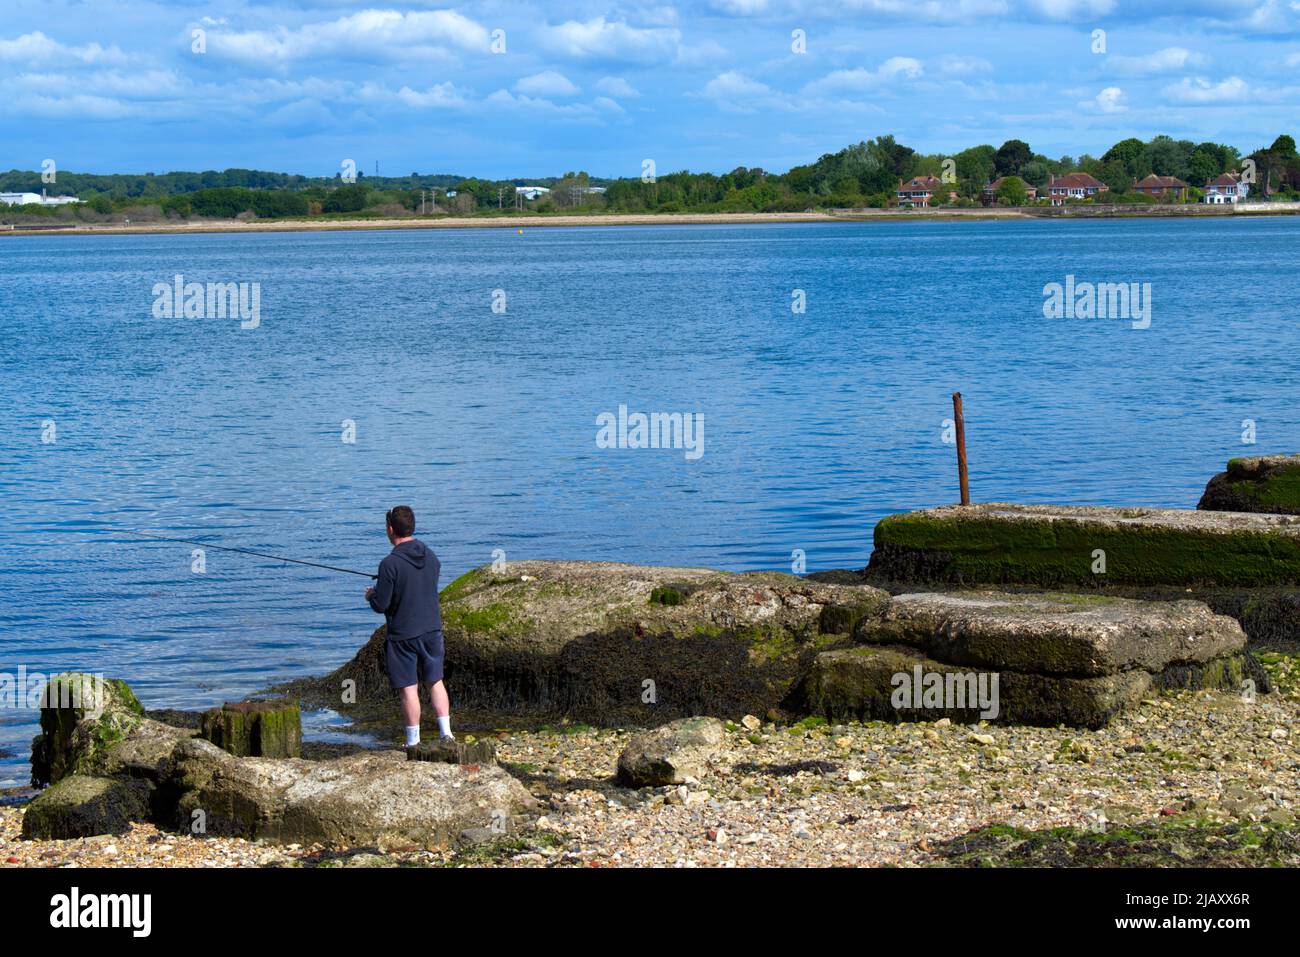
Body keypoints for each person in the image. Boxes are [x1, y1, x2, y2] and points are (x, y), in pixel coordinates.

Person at [364, 505, 453, 746]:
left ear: (391, 529)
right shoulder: (430, 555)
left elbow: (381, 605)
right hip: (432, 630)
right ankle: (447, 734)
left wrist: (371, 594)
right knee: (435, 681)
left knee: (409, 689)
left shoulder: (389, 564)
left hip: (403, 635)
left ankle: (413, 742)